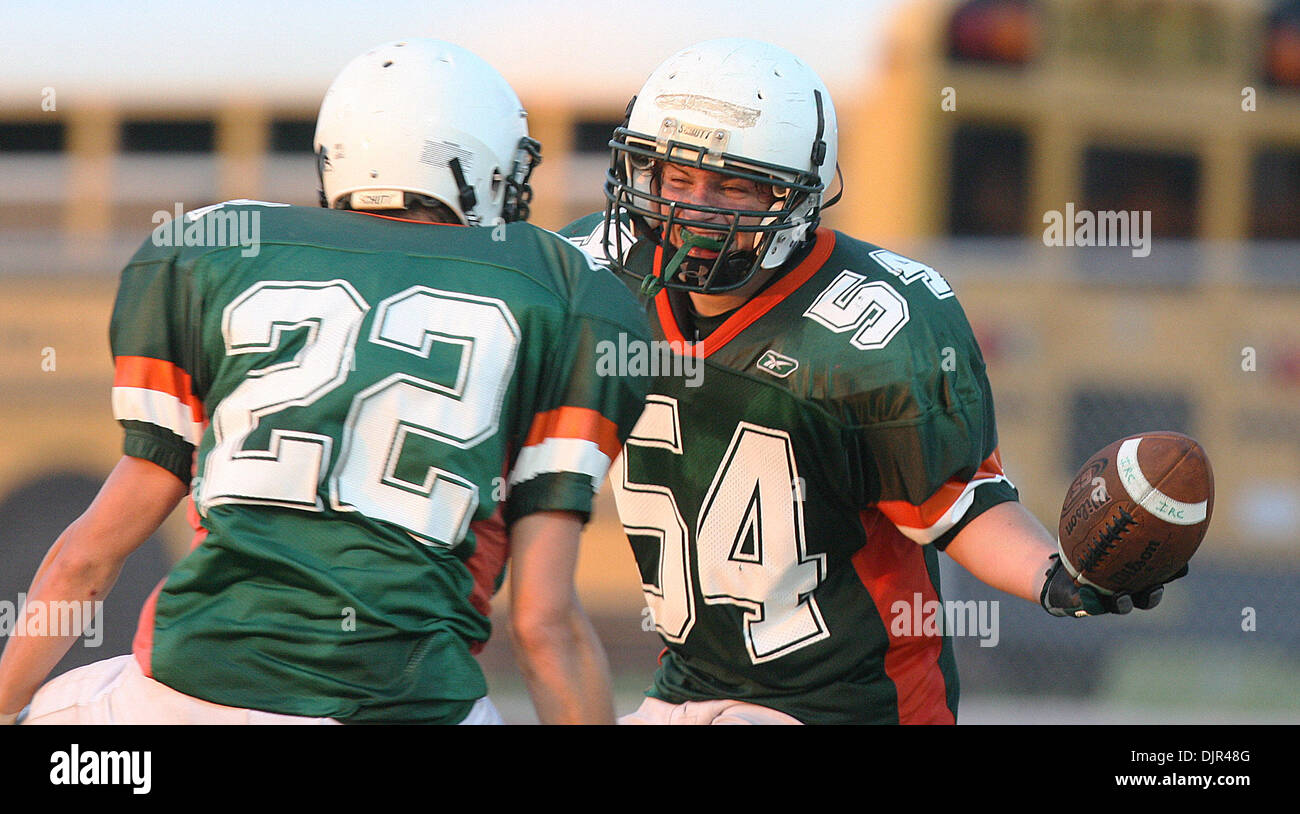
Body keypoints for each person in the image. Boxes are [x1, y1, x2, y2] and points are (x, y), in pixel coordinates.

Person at [0, 39, 650, 725]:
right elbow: (544, 627)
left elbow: (85, 560)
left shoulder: (217, 257)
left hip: (188, 696)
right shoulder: (560, 295)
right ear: (477, 167)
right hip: (412, 704)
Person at [562, 38, 1174, 725]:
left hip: (849, 706)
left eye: (732, 185)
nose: (694, 209)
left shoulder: (872, 327)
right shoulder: (594, 279)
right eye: (674, 177)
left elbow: (959, 505)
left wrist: (1054, 577)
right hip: (683, 687)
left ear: (794, 197)